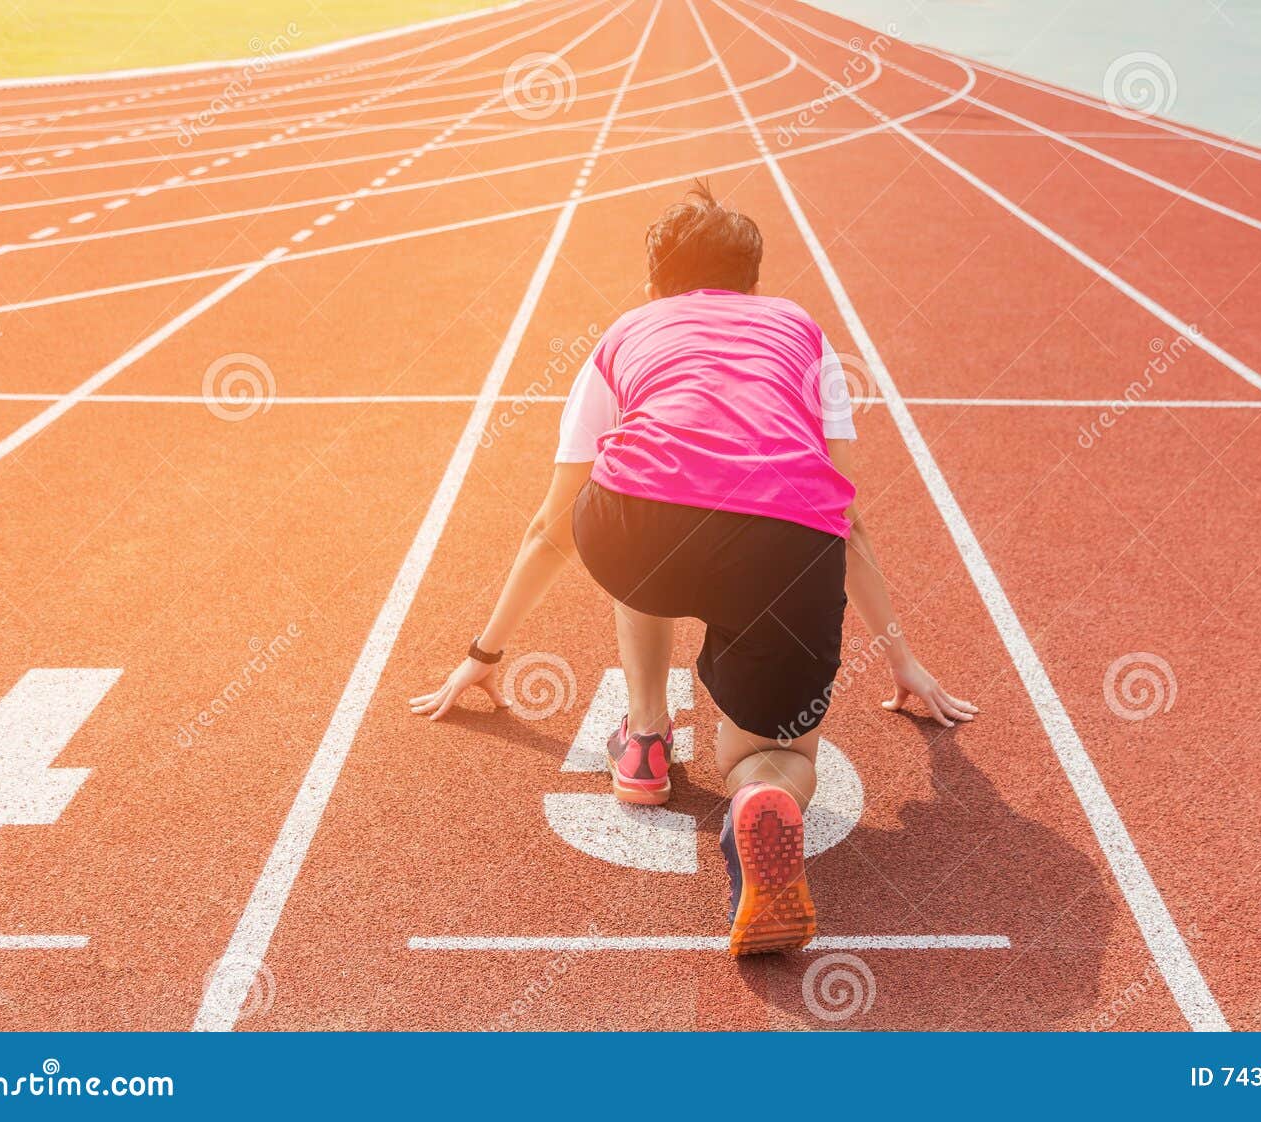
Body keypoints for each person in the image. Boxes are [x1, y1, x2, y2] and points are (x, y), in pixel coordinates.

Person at [411, 180, 976, 954]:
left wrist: (484, 654)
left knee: (637, 489)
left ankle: (645, 738)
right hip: (782, 546)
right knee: (769, 752)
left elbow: (551, 527)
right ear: (754, 282)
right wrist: (901, 658)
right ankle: (762, 795)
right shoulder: (804, 336)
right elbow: (845, 518)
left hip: (639, 532)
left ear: (652, 285)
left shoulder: (624, 335)